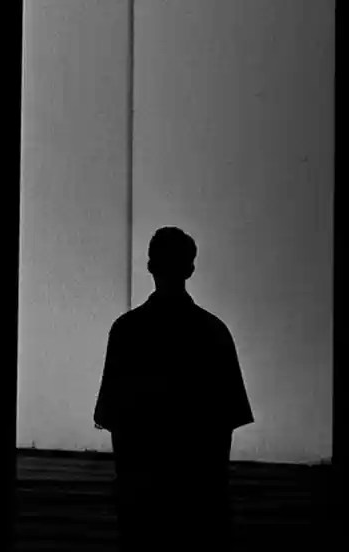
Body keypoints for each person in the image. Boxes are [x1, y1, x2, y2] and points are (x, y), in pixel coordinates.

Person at [93, 227, 255, 550]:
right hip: (199, 498)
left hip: (142, 498)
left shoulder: (126, 332)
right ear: (190, 269)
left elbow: (115, 421)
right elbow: (226, 423)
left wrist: (130, 487)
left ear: (150, 266)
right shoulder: (214, 332)